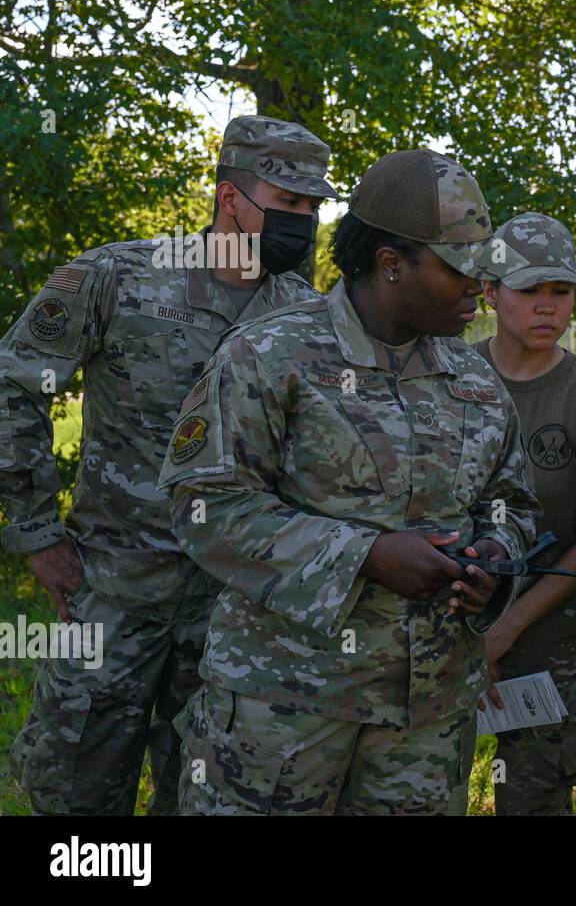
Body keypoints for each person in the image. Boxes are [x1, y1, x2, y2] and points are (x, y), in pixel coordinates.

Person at [158, 148, 540, 815]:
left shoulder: (477, 381)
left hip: (426, 720)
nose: (480, 289)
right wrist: (364, 554)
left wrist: (496, 561)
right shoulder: (269, 355)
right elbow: (204, 506)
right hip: (282, 713)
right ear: (391, 263)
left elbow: (512, 503)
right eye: (459, 270)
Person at [2, 114, 336, 815]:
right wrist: (35, 532)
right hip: (114, 590)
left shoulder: (309, 317)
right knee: (77, 794)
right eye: (288, 203)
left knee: (211, 797)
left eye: (312, 208)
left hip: (234, 613)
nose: (301, 223)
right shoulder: (118, 276)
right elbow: (14, 385)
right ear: (229, 198)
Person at [471, 212, 576, 815]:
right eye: (529, 290)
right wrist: (477, 631)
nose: (547, 308)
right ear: (489, 292)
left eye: (561, 292)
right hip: (445, 623)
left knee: (533, 798)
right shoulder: (452, 377)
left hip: (549, 630)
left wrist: (509, 628)